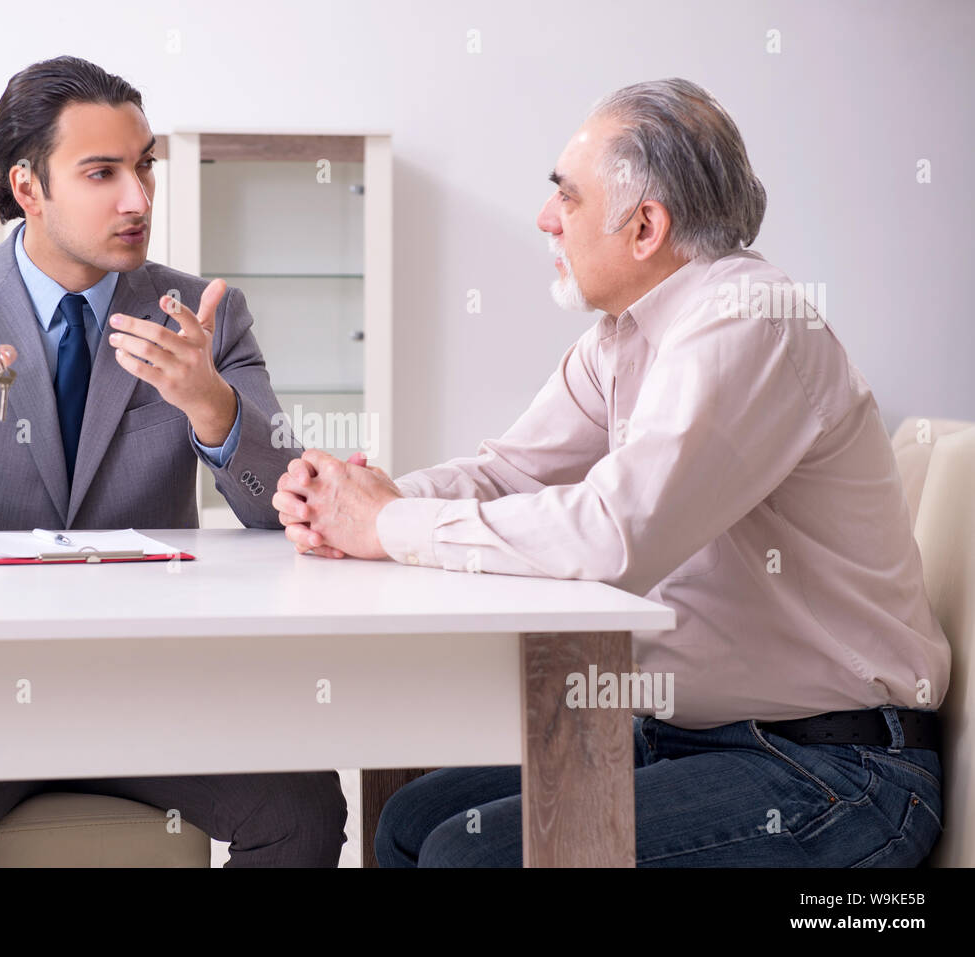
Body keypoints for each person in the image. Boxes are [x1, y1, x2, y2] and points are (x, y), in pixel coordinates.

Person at [273, 78, 949, 867]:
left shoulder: (749, 322)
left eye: (567, 196)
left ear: (646, 226)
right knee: (409, 820)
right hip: (684, 736)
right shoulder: (623, 337)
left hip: (838, 774)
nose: (545, 218)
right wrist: (352, 501)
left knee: (469, 857)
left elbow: (614, 534)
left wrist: (385, 524)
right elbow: (506, 474)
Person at [0, 55, 345, 867]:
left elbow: (290, 506)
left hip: (150, 690)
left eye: (144, 167)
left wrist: (212, 404)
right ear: (28, 187)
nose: (137, 199)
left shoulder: (205, 314)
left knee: (302, 807)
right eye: (102, 173)